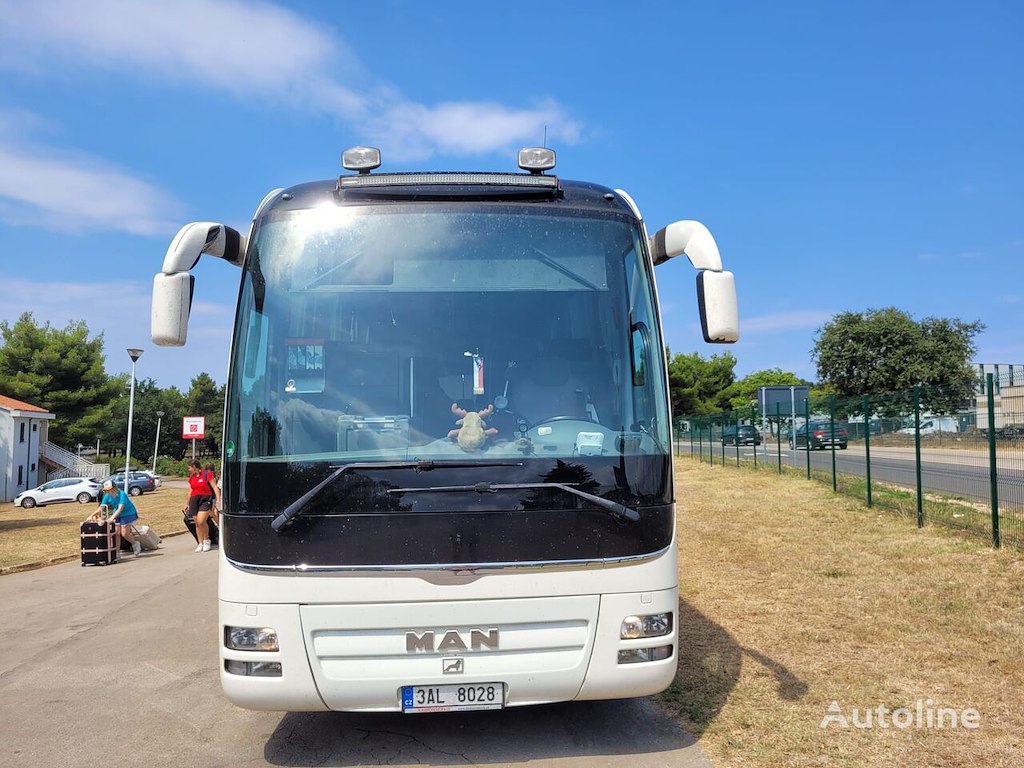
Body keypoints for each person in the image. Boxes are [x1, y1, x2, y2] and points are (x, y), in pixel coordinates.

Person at [87, 479, 142, 556]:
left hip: (129, 513)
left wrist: (112, 517)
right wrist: (91, 515)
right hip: (118, 514)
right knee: (116, 532)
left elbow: (120, 508)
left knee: (124, 533)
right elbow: (101, 508)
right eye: (106, 490)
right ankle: (117, 552)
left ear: (114, 488)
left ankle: (135, 544)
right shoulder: (106, 496)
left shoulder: (122, 494)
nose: (108, 492)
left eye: (109, 490)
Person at [186, 460, 221, 552]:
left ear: (194, 466)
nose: (189, 470)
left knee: (201, 521)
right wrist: (187, 503)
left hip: (205, 499)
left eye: (189, 468)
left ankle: (207, 540)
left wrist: (218, 499)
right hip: (194, 499)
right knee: (197, 523)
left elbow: (214, 487)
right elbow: (191, 490)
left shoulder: (207, 474)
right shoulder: (192, 477)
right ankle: (200, 542)